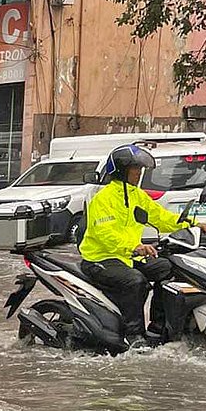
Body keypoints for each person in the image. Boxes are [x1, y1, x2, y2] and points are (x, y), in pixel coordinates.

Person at [79, 144, 186, 345]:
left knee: (169, 269)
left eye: (139, 169)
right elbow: (105, 233)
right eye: (134, 169)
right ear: (121, 171)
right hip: (100, 258)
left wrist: (190, 222)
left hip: (127, 257)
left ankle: (158, 327)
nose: (138, 173)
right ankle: (133, 335)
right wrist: (135, 247)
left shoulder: (137, 195)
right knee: (135, 282)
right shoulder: (104, 198)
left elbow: (160, 216)